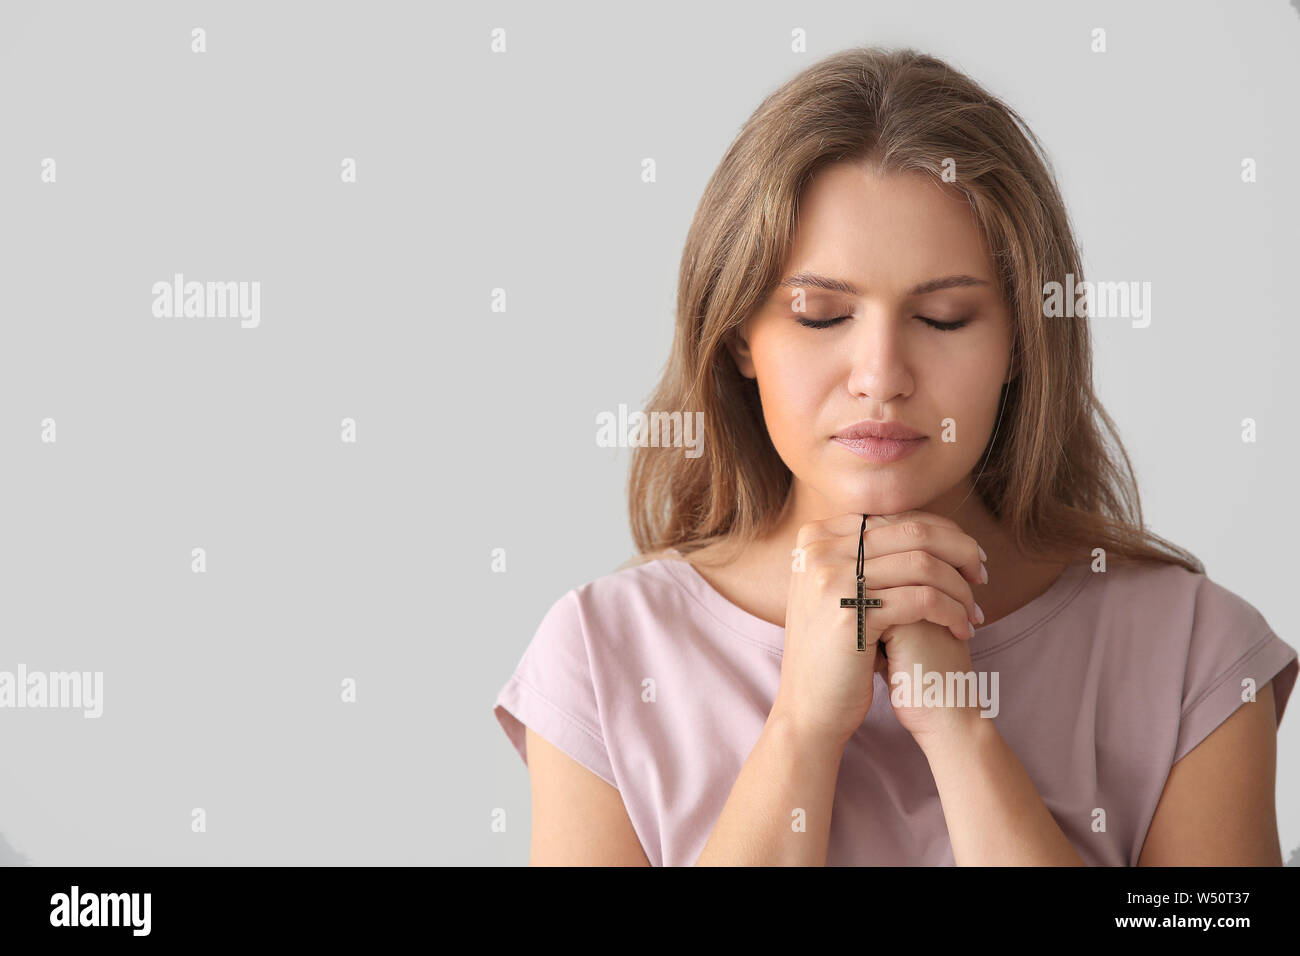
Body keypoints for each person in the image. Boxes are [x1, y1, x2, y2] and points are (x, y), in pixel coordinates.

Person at [493, 46, 1298, 866]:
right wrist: (803, 727)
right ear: (738, 333)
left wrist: (960, 733)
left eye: (945, 318)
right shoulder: (600, 657)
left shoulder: (1197, 655)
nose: (880, 378)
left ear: (1023, 341)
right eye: (818, 316)